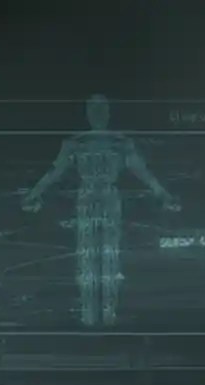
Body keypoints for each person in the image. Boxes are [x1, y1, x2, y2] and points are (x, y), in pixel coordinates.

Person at [22, 94, 180, 327]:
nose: (97, 115)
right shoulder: (76, 142)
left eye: (101, 109)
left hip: (108, 196)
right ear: (87, 113)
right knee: (87, 254)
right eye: (93, 110)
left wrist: (163, 193)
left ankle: (108, 316)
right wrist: (34, 193)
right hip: (87, 197)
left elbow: (142, 172)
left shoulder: (120, 142)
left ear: (108, 112)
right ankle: (88, 316)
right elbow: (55, 172)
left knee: (109, 255)